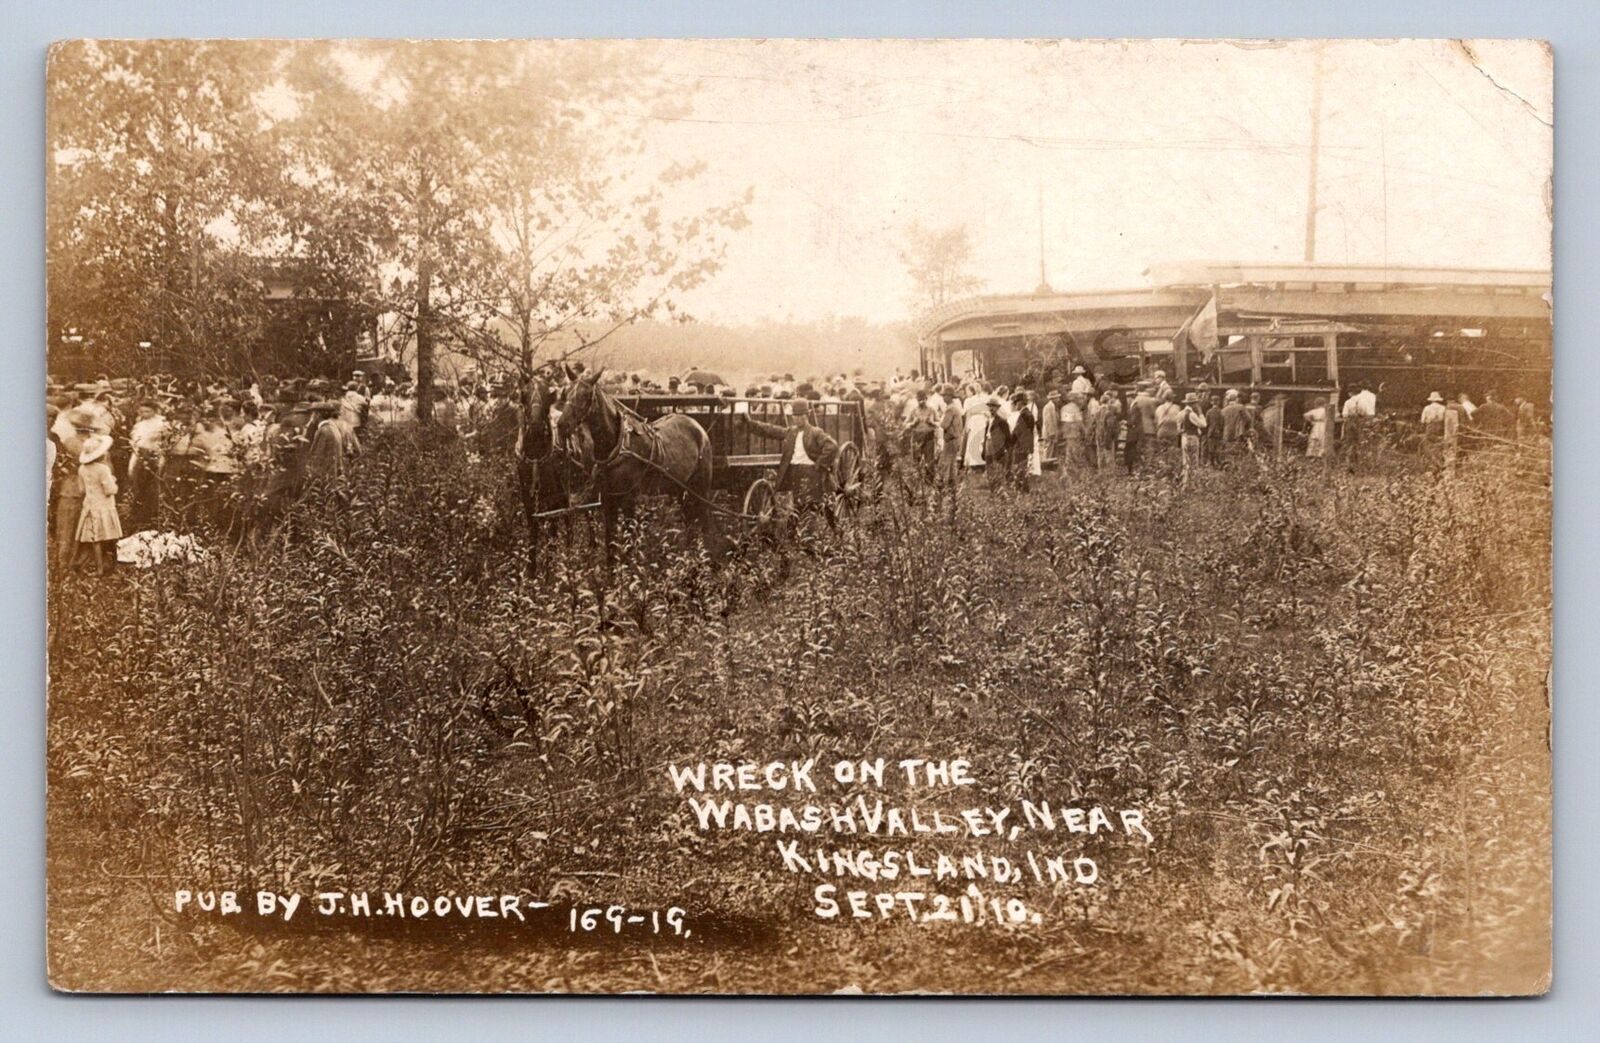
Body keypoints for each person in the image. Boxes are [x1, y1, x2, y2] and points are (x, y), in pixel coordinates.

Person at [74, 434, 122, 575]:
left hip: (89, 506)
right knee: (108, 535)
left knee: (94, 538)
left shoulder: (82, 469)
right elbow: (110, 490)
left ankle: (95, 565)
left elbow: (82, 489)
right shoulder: (103, 469)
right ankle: (107, 566)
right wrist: (113, 481)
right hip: (104, 506)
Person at [127, 398, 168, 530]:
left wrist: (160, 456)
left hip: (154, 455)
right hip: (140, 454)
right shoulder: (139, 423)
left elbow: (165, 442)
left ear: (154, 410)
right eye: (142, 411)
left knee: (153, 487)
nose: (144, 413)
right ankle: (138, 516)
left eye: (148, 411)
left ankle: (151, 516)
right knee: (138, 485)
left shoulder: (162, 422)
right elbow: (135, 441)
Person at [1008, 391, 1036, 491]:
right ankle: (1022, 488)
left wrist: (1010, 441)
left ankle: (1021, 489)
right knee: (1022, 467)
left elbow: (1017, 431)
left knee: (1019, 467)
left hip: (1021, 445)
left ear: (1020, 403)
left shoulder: (1024, 414)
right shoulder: (1027, 414)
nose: (1015, 405)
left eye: (1016, 403)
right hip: (1026, 445)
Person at [1178, 392, 1207, 487]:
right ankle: (1193, 484)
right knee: (1194, 461)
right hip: (1192, 437)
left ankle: (1185, 483)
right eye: (1196, 403)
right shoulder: (1192, 414)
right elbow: (1203, 424)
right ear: (1193, 404)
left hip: (1184, 438)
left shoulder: (1180, 413)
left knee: (1185, 461)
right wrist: (1201, 413)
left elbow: (1179, 429)